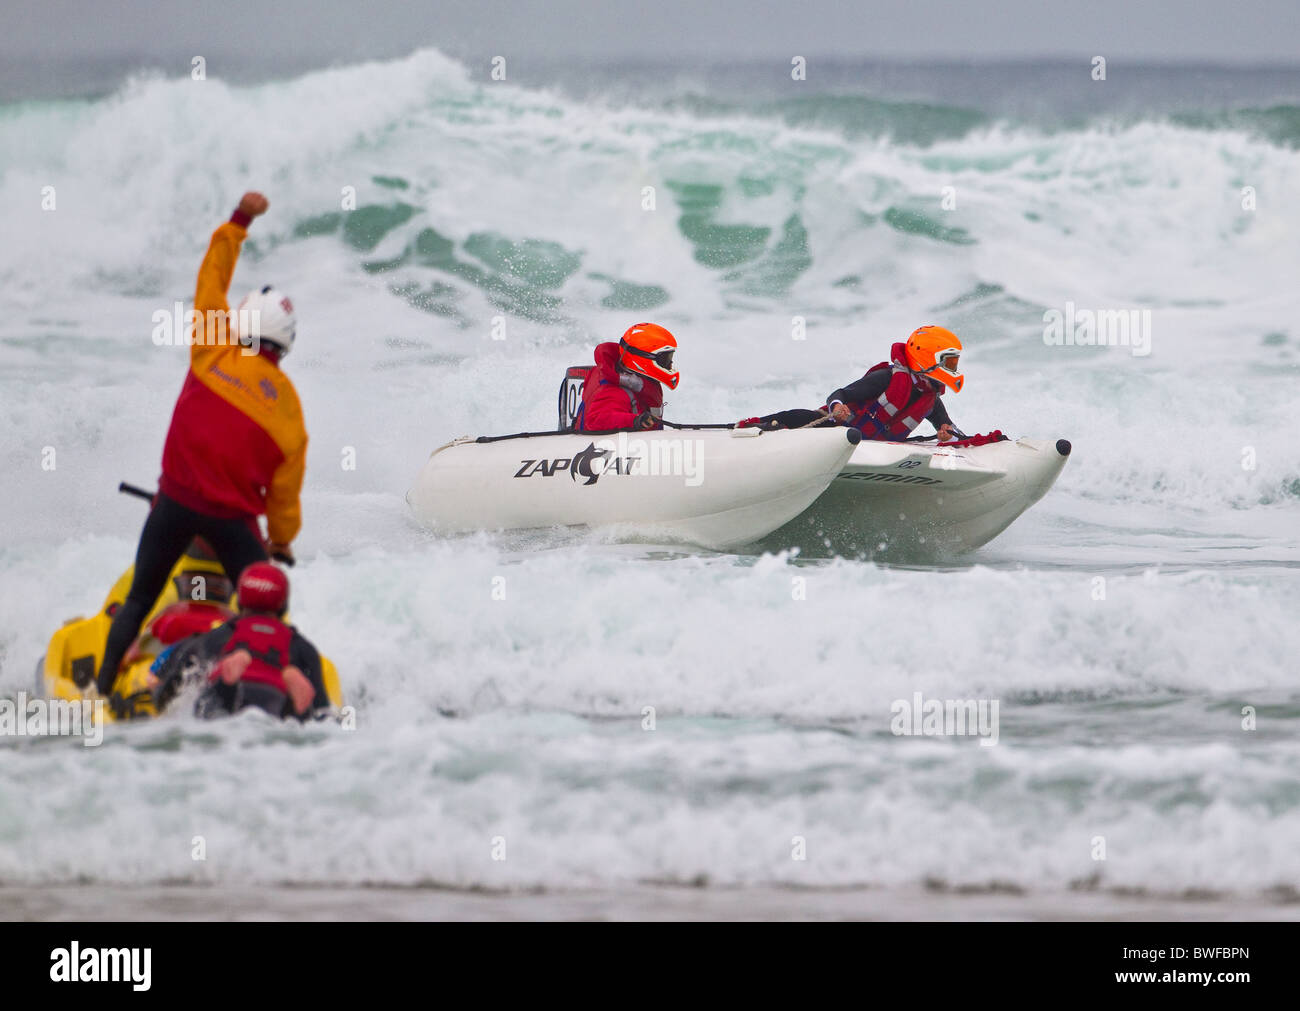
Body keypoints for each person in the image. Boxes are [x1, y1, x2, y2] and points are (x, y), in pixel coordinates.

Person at [96, 192, 308, 697]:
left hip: (174, 506)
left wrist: (239, 221)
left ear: (243, 325)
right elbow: (284, 494)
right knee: (267, 608)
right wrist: (280, 540)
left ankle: (101, 690)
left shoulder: (211, 350)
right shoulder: (289, 410)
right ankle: (261, 682)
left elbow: (210, 278)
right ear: (285, 343)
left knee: (142, 596)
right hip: (233, 525)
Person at [155, 563, 329, 721]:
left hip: (228, 694)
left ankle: (226, 685)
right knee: (302, 717)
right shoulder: (301, 647)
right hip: (274, 694)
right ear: (283, 605)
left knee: (211, 708)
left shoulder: (214, 638)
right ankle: (296, 706)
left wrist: (157, 691)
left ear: (239, 600)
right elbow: (325, 711)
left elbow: (167, 695)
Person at [743, 325, 965, 441]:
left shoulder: (930, 398)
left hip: (876, 450)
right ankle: (751, 427)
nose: (953, 370)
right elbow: (839, 394)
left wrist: (947, 434)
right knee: (802, 416)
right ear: (925, 358)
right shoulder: (887, 378)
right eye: (949, 363)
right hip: (836, 433)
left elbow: (948, 427)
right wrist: (837, 407)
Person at [573, 323, 679, 432]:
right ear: (642, 360)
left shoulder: (612, 371)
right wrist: (635, 421)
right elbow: (595, 421)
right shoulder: (615, 392)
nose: (670, 364)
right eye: (665, 359)